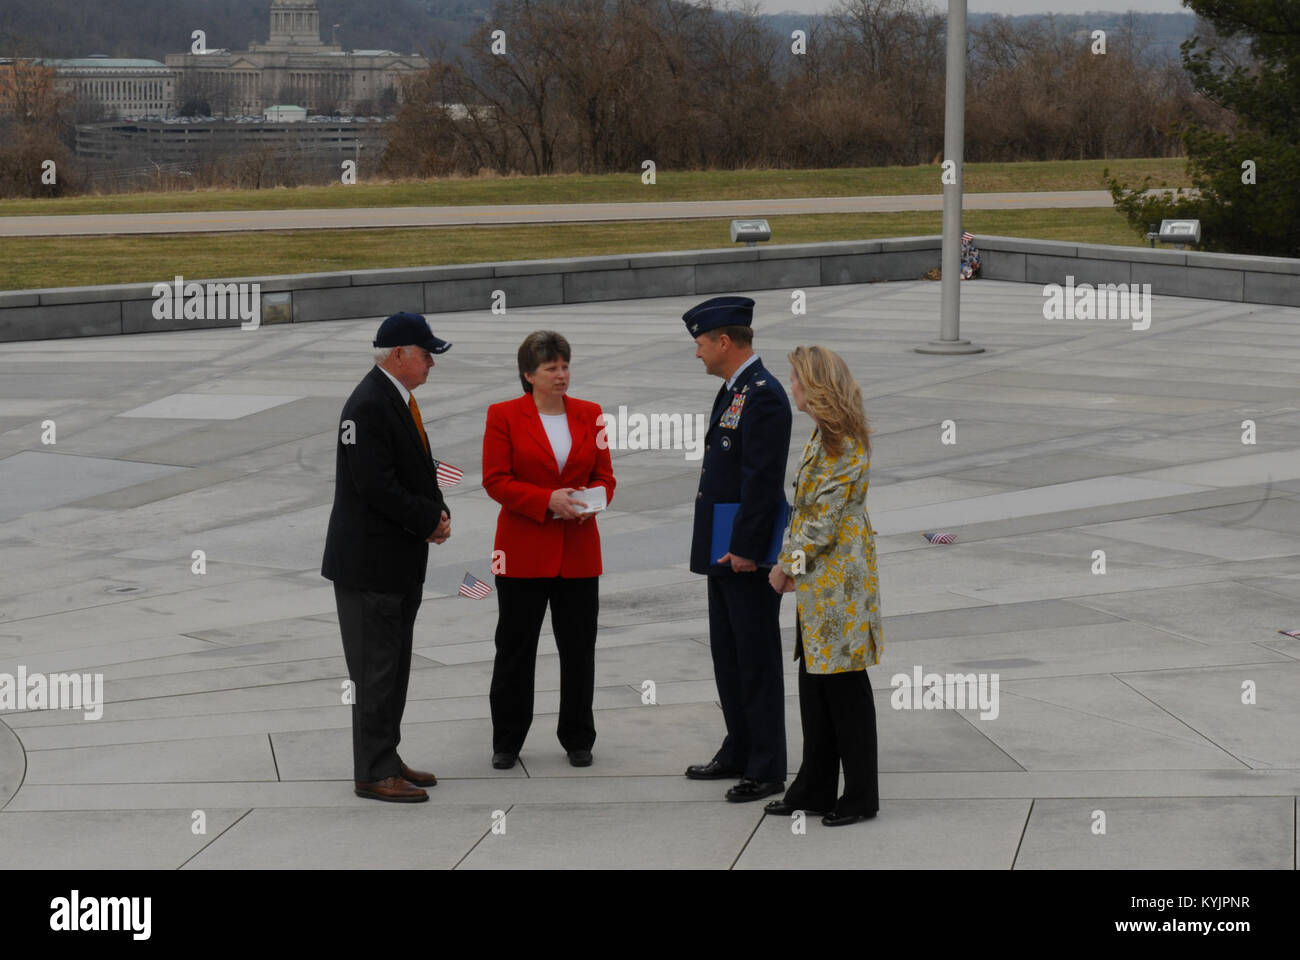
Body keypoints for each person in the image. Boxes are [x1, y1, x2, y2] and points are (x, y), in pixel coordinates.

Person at [321, 312, 453, 803]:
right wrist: (426, 520)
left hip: (396, 562)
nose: (430, 365)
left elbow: (416, 470)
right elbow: (374, 486)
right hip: (370, 566)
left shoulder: (396, 400)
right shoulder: (369, 405)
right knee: (376, 670)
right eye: (425, 355)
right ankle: (373, 771)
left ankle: (387, 755)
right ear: (398, 354)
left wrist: (436, 513)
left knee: (393, 668)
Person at [481, 330, 616, 770]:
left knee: (579, 649)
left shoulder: (591, 415)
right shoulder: (503, 415)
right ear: (528, 375)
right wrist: (547, 501)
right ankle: (507, 739)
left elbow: (606, 478)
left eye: (564, 366)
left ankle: (578, 736)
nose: (561, 376)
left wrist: (589, 502)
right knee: (515, 648)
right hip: (522, 552)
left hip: (578, 551)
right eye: (551, 369)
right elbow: (496, 479)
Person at [766, 345, 883, 826]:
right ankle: (814, 786)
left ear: (814, 386)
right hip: (822, 584)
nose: (790, 386)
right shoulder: (824, 435)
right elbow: (807, 512)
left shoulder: (843, 444)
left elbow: (824, 521)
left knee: (844, 690)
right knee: (815, 687)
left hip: (839, 585)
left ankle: (859, 795)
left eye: (795, 379)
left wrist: (785, 565)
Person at [681, 296, 792, 802]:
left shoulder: (763, 394)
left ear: (725, 342)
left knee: (756, 660)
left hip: (744, 556)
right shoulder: (735, 389)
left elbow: (762, 481)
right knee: (728, 656)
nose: (698, 353)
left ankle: (767, 765)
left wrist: (746, 548)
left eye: (701, 343)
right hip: (722, 550)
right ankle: (739, 747)